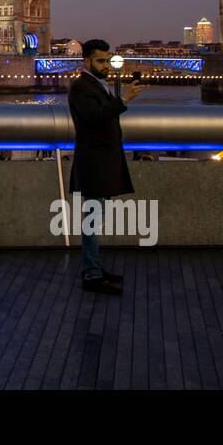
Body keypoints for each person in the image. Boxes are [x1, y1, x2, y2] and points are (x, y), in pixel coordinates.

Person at [68, 38, 145, 296]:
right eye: (100, 61)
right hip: (93, 162)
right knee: (91, 222)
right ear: (86, 61)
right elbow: (93, 117)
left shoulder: (99, 84)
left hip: (104, 160)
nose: (106, 65)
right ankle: (92, 275)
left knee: (96, 220)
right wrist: (123, 99)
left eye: (107, 60)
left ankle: (95, 267)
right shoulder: (80, 86)